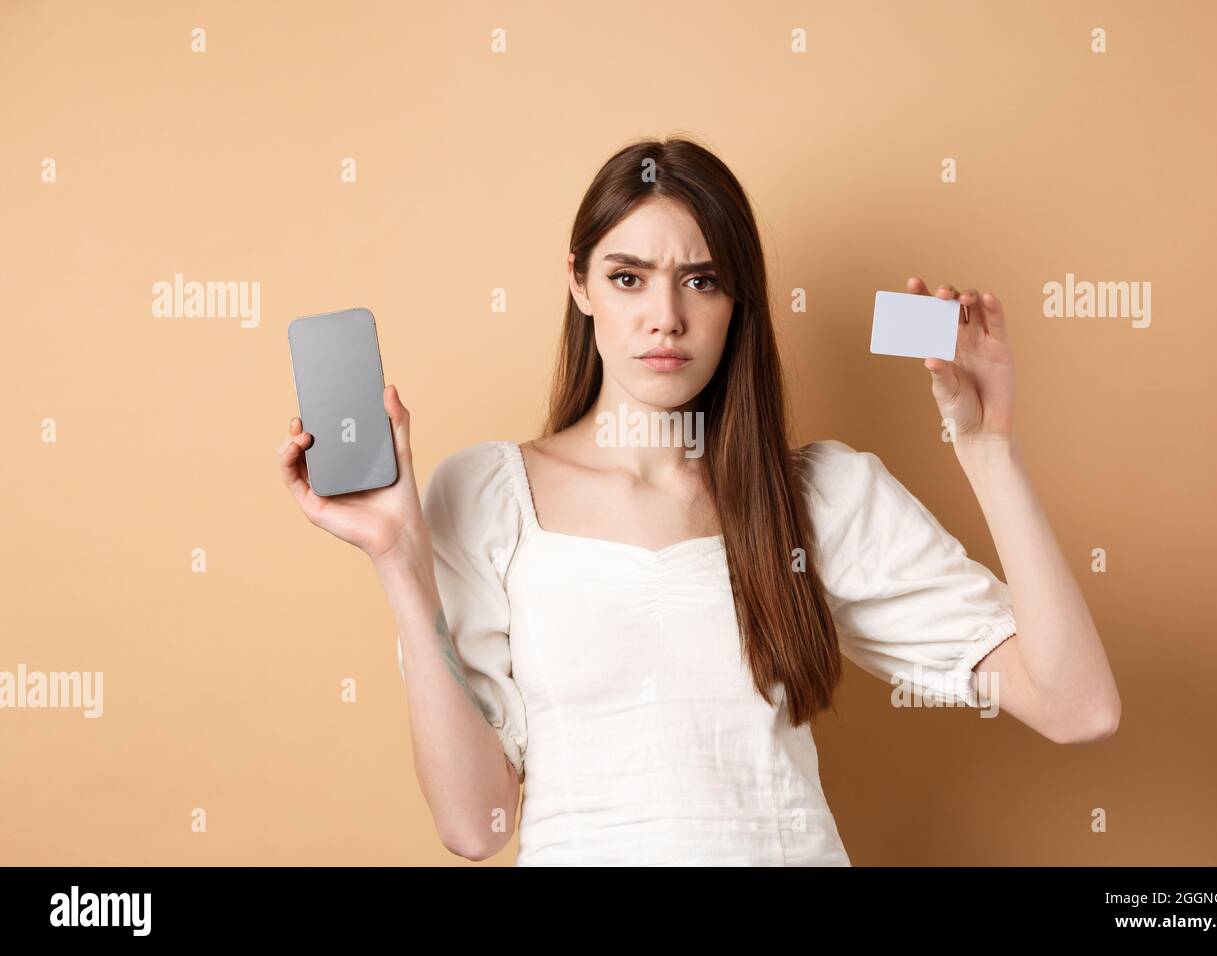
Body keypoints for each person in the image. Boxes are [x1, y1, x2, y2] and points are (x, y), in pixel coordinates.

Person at [276, 136, 1120, 866]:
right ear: (580, 286)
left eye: (702, 281)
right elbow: (473, 825)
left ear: (737, 300)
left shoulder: (819, 499)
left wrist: (988, 448)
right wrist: (400, 561)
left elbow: (1077, 706)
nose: (665, 318)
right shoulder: (487, 496)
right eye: (629, 276)